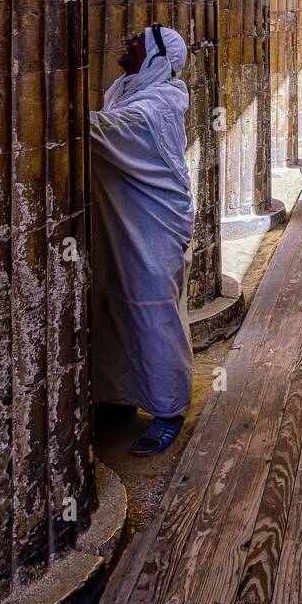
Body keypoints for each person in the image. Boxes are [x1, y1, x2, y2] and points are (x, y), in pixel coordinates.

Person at [89, 24, 195, 456]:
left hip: (153, 227)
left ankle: (169, 409)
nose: (128, 42)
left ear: (155, 56)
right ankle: (120, 395)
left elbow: (102, 133)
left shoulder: (155, 106)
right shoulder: (130, 94)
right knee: (113, 307)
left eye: (138, 40)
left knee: (153, 314)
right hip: (126, 221)